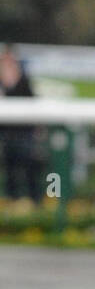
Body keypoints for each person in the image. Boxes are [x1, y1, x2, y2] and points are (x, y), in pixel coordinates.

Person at [0, 43, 42, 202]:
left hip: (24, 133)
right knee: (10, 168)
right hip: (7, 134)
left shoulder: (24, 80)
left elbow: (32, 104)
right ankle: (12, 199)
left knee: (29, 166)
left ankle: (35, 199)